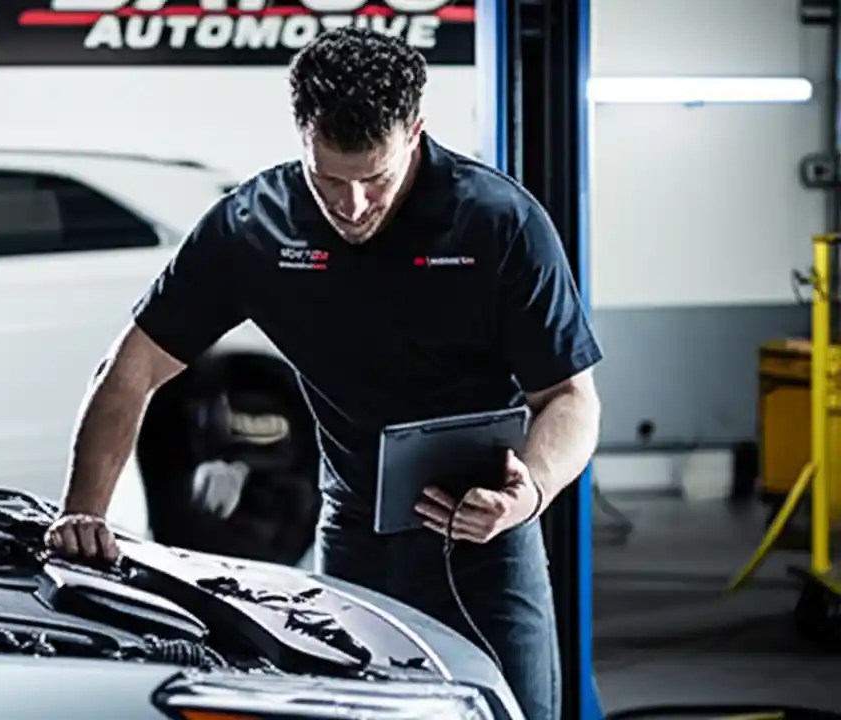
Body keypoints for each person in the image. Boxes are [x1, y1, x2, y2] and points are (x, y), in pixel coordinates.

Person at [43, 26, 602, 720]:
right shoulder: (254, 226)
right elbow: (128, 371)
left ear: (416, 133)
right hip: (353, 529)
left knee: (512, 711)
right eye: (330, 178)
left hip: (484, 529)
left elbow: (571, 398)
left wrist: (534, 491)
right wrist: (82, 515)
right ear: (301, 136)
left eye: (376, 178)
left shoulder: (497, 222)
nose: (354, 205)